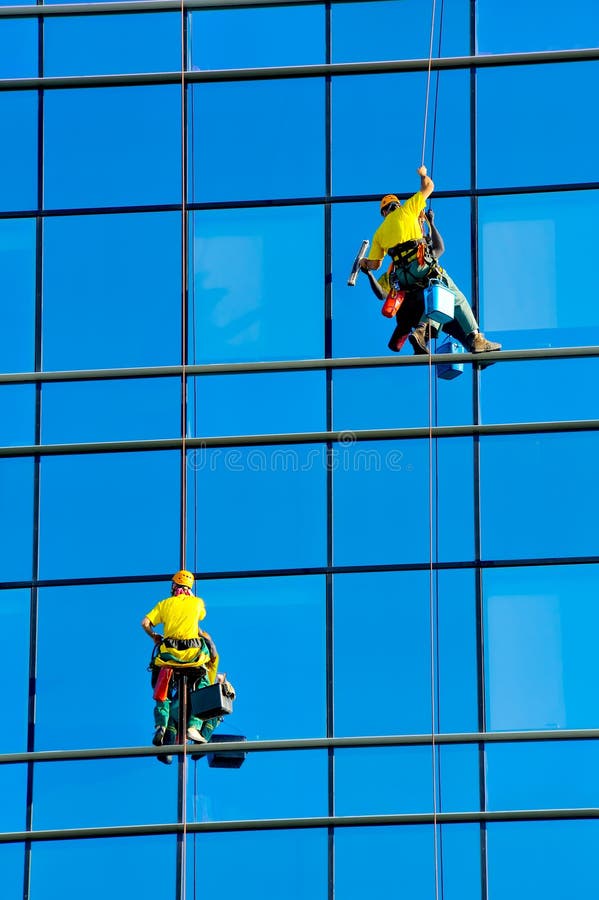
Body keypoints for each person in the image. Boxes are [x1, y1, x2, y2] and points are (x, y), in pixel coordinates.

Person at [360, 166, 501, 355]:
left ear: (384, 212)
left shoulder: (379, 233)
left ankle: (422, 334)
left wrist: (364, 266)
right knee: (455, 297)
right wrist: (423, 174)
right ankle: (475, 338)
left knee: (432, 299)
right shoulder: (409, 208)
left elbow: (375, 264)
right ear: (397, 205)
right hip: (421, 268)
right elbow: (429, 186)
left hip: (404, 278)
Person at [141, 569, 222, 763]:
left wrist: (155, 637)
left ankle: (161, 725)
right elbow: (201, 616)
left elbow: (145, 623)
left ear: (174, 587)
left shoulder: (164, 604)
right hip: (193, 657)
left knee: (163, 693)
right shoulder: (197, 602)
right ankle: (193, 727)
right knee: (203, 686)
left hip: (168, 656)